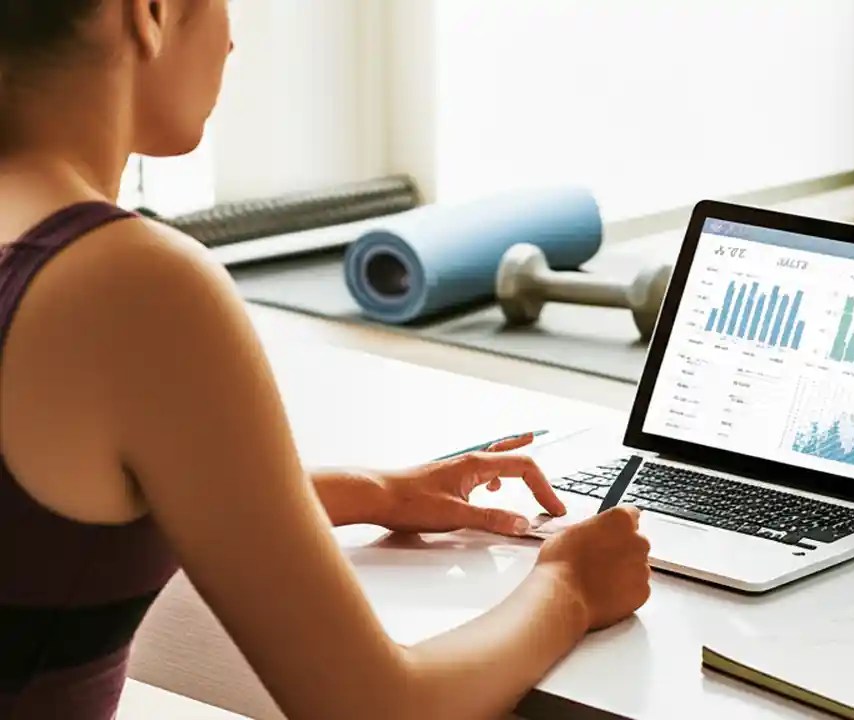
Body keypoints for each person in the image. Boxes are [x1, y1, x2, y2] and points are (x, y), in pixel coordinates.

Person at [0, 1, 652, 718]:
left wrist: (374, 491)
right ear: (147, 12)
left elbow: (49, 517)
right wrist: (570, 588)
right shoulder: (130, 284)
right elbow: (377, 708)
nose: (233, 36)